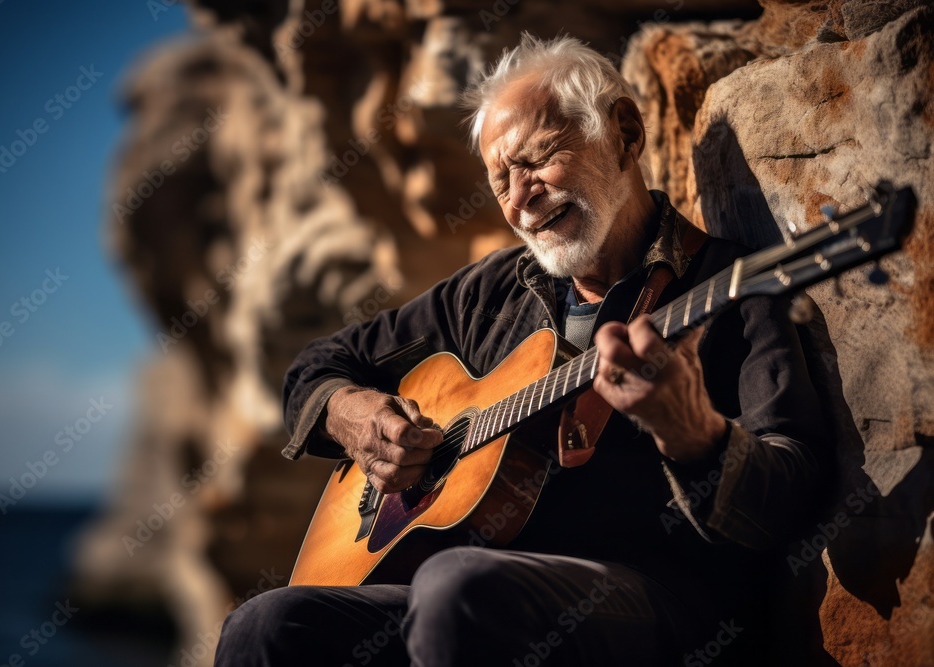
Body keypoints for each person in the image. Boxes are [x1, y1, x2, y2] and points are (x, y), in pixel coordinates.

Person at [215, 33, 832, 666]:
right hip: (467, 599)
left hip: (660, 608)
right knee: (265, 625)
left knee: (456, 586)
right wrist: (353, 415)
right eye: (499, 180)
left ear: (624, 133)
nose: (519, 197)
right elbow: (314, 368)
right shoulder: (489, 292)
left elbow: (792, 494)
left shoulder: (731, 287)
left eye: (537, 159)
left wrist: (694, 434)